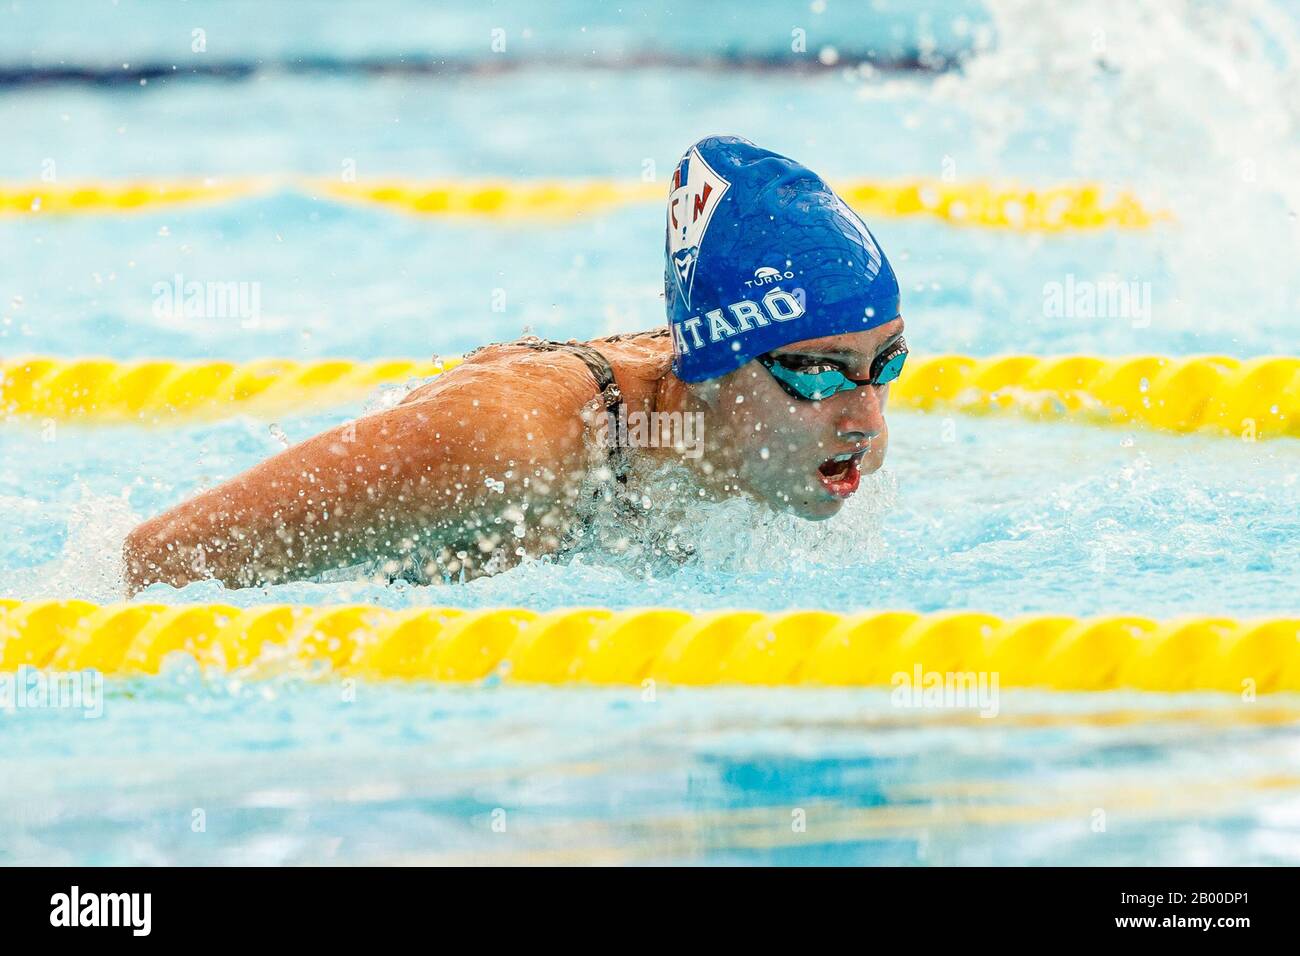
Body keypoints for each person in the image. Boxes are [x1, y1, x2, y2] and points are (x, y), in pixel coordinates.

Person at [123, 135, 906, 591]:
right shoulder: (513, 443)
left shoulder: (769, 445)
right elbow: (152, 568)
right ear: (707, 364)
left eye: (886, 366)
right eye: (819, 371)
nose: (866, 419)